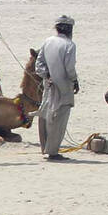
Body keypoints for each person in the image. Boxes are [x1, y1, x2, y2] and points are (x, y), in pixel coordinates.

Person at [34, 16, 78, 161]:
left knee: (45, 114)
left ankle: (44, 148)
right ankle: (53, 152)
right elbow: (70, 68)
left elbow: (39, 63)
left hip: (49, 85)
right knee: (59, 119)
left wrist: (47, 75)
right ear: (69, 29)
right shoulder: (70, 45)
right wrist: (75, 80)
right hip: (63, 87)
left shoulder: (48, 41)